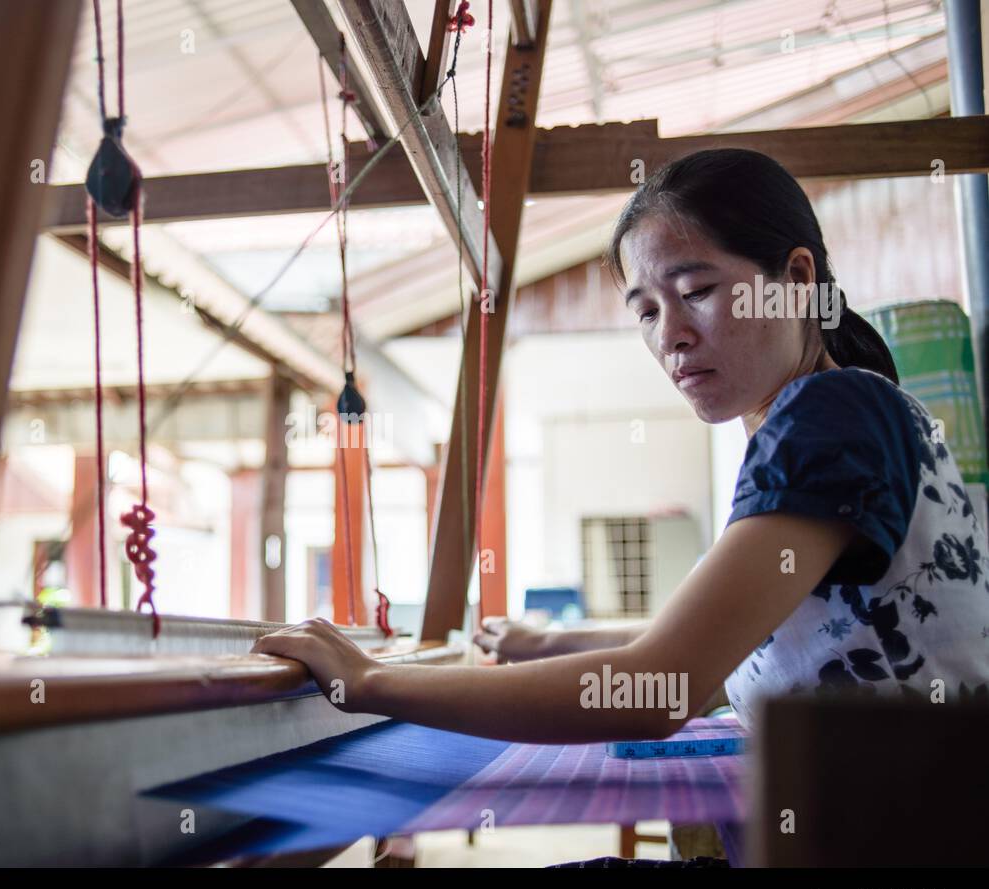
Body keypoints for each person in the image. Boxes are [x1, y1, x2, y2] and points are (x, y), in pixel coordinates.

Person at [251, 148, 989, 749]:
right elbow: (712, 637)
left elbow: (662, 684)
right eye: (645, 310)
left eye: (696, 289)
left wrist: (371, 680)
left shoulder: (830, 418)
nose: (669, 335)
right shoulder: (847, 415)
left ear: (794, 281)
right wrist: (548, 641)